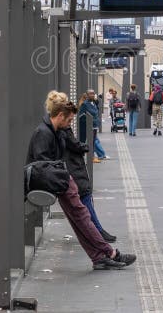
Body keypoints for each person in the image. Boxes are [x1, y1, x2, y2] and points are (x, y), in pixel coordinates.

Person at [26, 91, 135, 270]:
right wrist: (65, 177)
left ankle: (99, 257)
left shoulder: (55, 130)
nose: (69, 124)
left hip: (59, 179)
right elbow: (42, 164)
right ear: (60, 116)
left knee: (79, 220)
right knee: (82, 217)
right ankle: (109, 253)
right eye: (69, 120)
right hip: (58, 180)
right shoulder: (44, 133)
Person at [47, 92, 118, 243]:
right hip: (71, 168)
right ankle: (96, 232)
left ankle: (96, 232)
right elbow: (72, 144)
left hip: (70, 167)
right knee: (84, 200)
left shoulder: (57, 126)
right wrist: (84, 147)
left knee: (83, 202)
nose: (70, 120)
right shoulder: (61, 127)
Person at [79, 91, 108, 161]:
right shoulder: (85, 104)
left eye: (93, 94)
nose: (92, 95)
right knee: (85, 142)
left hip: (94, 126)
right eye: (90, 94)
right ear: (87, 95)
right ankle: (84, 157)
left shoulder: (94, 103)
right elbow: (81, 115)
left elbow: (96, 113)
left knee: (92, 142)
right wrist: (88, 122)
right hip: (87, 127)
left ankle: (92, 157)